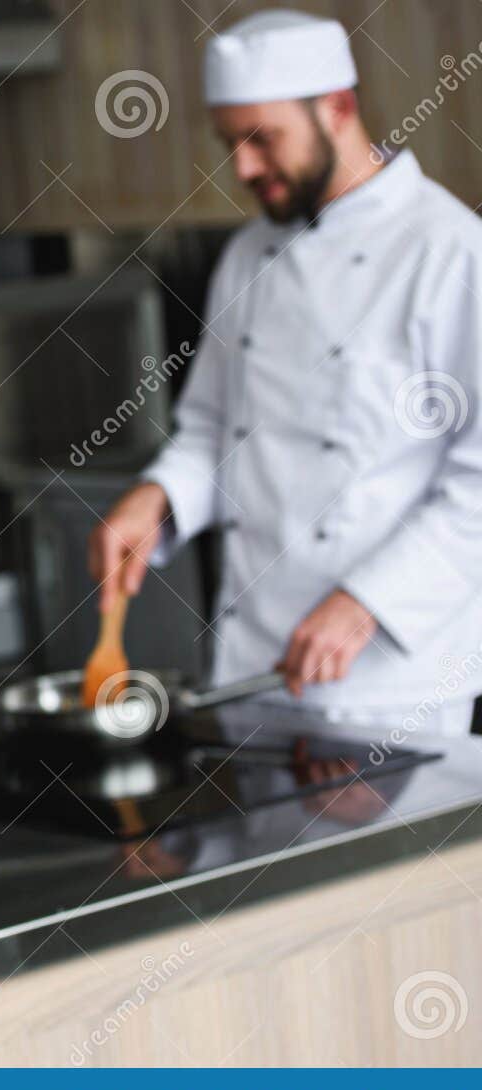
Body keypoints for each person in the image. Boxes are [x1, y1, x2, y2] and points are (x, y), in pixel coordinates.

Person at [90, 9, 482, 736]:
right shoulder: (247, 256)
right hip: (248, 668)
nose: (243, 168)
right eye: (229, 142)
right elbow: (214, 427)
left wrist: (367, 601)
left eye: (262, 139)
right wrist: (159, 497)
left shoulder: (453, 253)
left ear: (338, 107)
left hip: (391, 684)